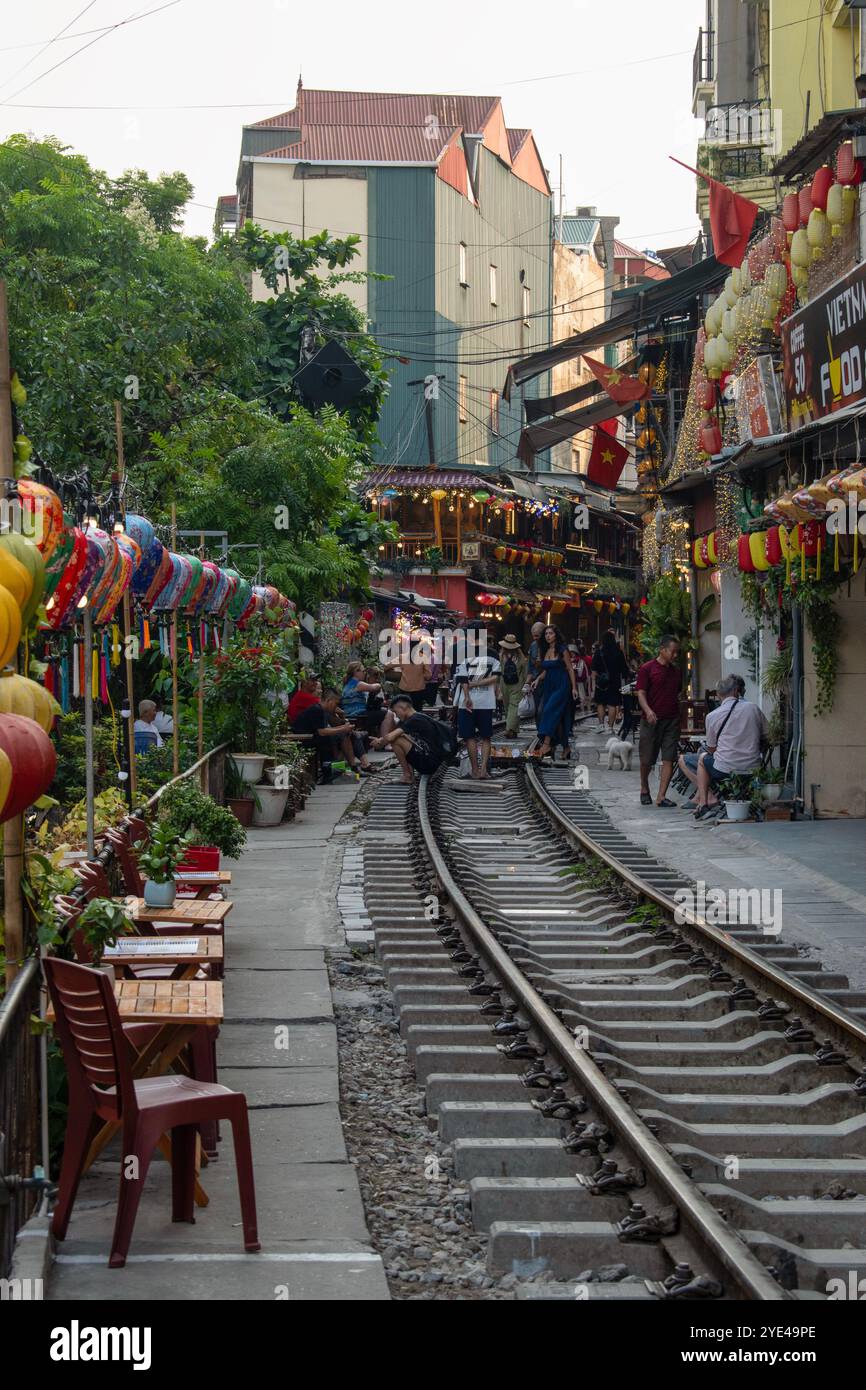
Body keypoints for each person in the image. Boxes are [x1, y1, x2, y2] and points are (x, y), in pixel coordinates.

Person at [679, 674, 768, 820]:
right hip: (753, 766)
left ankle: (704, 802)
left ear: (719, 695)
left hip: (725, 769)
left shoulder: (713, 715)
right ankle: (704, 799)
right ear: (735, 691)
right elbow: (768, 734)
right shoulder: (753, 708)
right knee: (707, 759)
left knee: (702, 759)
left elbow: (712, 748)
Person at [635, 634, 682, 807]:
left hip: (671, 719)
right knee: (647, 758)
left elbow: (678, 692)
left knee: (669, 757)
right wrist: (648, 710)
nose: (675, 655)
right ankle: (644, 787)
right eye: (673, 651)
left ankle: (661, 796)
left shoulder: (676, 671)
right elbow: (641, 692)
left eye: (677, 652)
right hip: (651, 719)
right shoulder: (647, 669)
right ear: (662, 650)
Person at [371, 695, 456, 784]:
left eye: (396, 712)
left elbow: (390, 737)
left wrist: (380, 743)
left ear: (403, 707)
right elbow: (395, 734)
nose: (396, 715)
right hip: (434, 761)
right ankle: (409, 775)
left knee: (397, 740)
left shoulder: (414, 720)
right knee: (401, 736)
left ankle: (407, 776)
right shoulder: (418, 717)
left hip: (430, 763)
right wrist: (381, 739)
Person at [291, 687, 370, 781]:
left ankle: (347, 767)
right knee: (339, 736)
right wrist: (343, 729)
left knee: (345, 735)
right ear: (329, 701)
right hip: (305, 738)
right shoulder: (317, 710)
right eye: (336, 703)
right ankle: (343, 768)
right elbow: (322, 731)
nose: (336, 706)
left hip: (313, 736)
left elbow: (325, 729)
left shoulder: (321, 709)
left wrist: (344, 728)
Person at [453, 630, 501, 780]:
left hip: (467, 703)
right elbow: (495, 677)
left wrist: (467, 696)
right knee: (486, 737)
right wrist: (479, 683)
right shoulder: (493, 655)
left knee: (470, 737)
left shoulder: (464, 655)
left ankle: (474, 770)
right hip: (486, 702)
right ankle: (483, 771)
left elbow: (463, 679)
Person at [532, 625, 578, 759]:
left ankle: (546, 744)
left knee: (548, 711)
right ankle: (566, 747)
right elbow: (547, 670)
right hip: (549, 686)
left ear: (556, 635)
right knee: (560, 718)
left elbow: (570, 669)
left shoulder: (562, 649)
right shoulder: (546, 650)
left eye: (550, 633)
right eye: (546, 634)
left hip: (561, 685)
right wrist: (537, 679)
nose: (548, 636)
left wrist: (574, 688)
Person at [592, 629, 630, 733]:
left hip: (602, 682)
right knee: (612, 704)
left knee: (601, 703)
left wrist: (594, 682)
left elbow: (594, 669)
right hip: (614, 682)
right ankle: (610, 727)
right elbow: (624, 669)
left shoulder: (598, 652)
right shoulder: (618, 652)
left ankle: (601, 725)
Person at [497, 634, 528, 737]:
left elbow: (524, 671)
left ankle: (509, 729)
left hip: (515, 685)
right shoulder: (502, 656)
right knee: (507, 707)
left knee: (514, 707)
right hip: (506, 684)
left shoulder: (518, 656)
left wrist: (525, 684)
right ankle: (514, 731)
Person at [398, 636, 431, 711]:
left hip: (404, 688)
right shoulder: (423, 657)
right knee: (417, 711)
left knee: (404, 710)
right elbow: (428, 676)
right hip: (418, 689)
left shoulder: (402, 657)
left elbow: (387, 666)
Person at [569, 641, 592, 716]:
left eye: (572, 652)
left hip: (578, 680)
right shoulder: (580, 660)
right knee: (583, 695)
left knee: (582, 695)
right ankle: (586, 710)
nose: (571, 654)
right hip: (580, 680)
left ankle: (583, 710)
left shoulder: (576, 661)